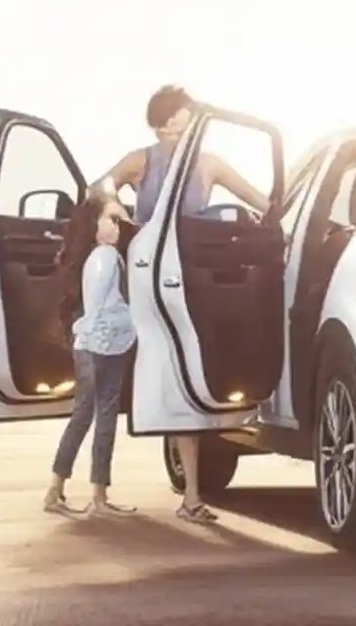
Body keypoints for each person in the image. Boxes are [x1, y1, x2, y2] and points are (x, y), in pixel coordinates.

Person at [91, 84, 271, 524]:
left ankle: (191, 494)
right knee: (138, 378)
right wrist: (113, 202)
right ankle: (97, 488)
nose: (178, 133)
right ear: (159, 126)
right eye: (171, 127)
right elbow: (100, 184)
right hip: (151, 278)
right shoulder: (142, 160)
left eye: (185, 125)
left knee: (188, 375)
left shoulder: (209, 164)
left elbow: (263, 201)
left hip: (195, 278)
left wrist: (267, 224)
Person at [43, 192, 137, 517]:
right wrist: (94, 334)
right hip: (101, 344)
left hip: (103, 343)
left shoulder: (101, 255)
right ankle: (84, 493)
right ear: (93, 224)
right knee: (93, 415)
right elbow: (97, 305)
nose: (118, 226)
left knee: (93, 416)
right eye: (111, 219)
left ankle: (81, 492)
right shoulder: (105, 257)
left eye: (119, 220)